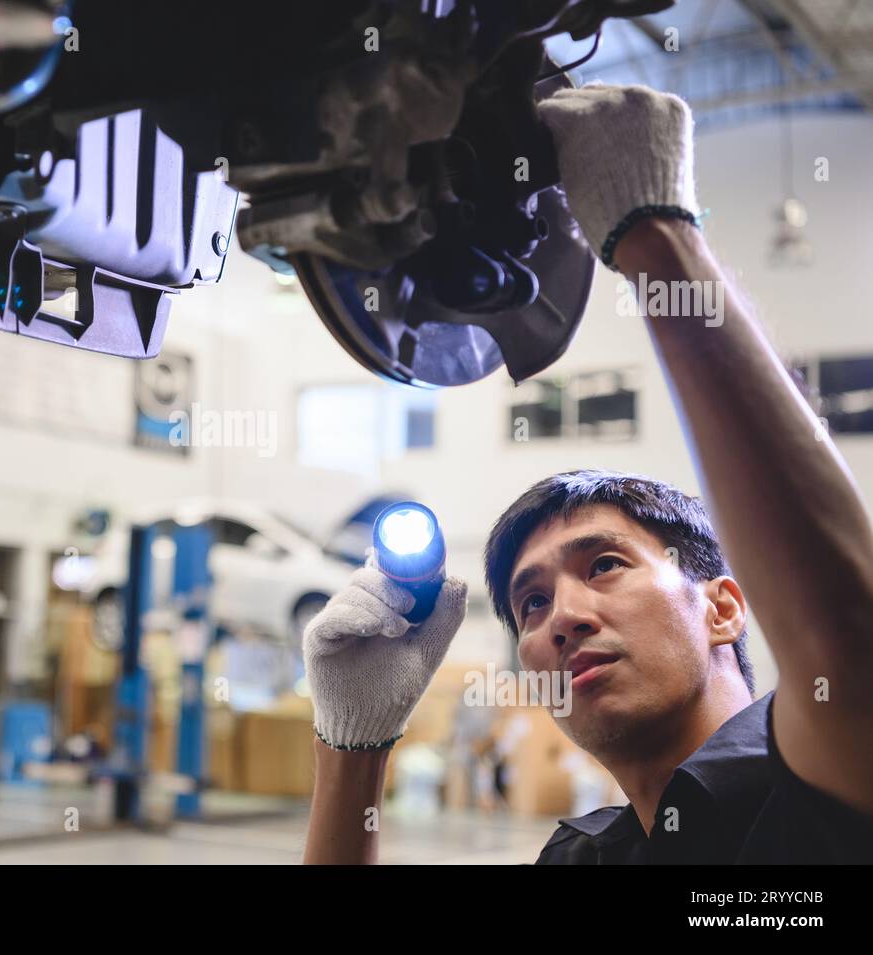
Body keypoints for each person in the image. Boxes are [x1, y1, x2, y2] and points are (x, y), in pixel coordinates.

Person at [301, 84, 873, 864]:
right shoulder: (579, 860)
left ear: (724, 608)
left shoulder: (823, 787)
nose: (561, 617)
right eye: (530, 604)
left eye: (604, 563)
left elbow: (849, 639)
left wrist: (653, 232)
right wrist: (354, 747)